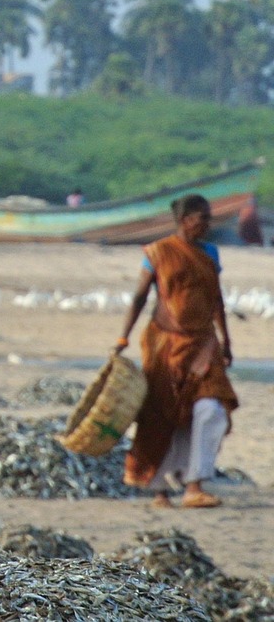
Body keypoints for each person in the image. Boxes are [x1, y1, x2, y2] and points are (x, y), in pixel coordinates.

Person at [115, 193, 238, 509]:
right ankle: (159, 488)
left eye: (209, 219)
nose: (207, 225)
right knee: (163, 414)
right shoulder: (157, 252)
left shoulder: (210, 253)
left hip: (204, 344)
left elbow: (216, 299)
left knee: (210, 409)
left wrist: (226, 340)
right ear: (186, 220)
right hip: (164, 344)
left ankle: (194, 484)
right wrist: (123, 338)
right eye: (202, 219)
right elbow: (140, 297)